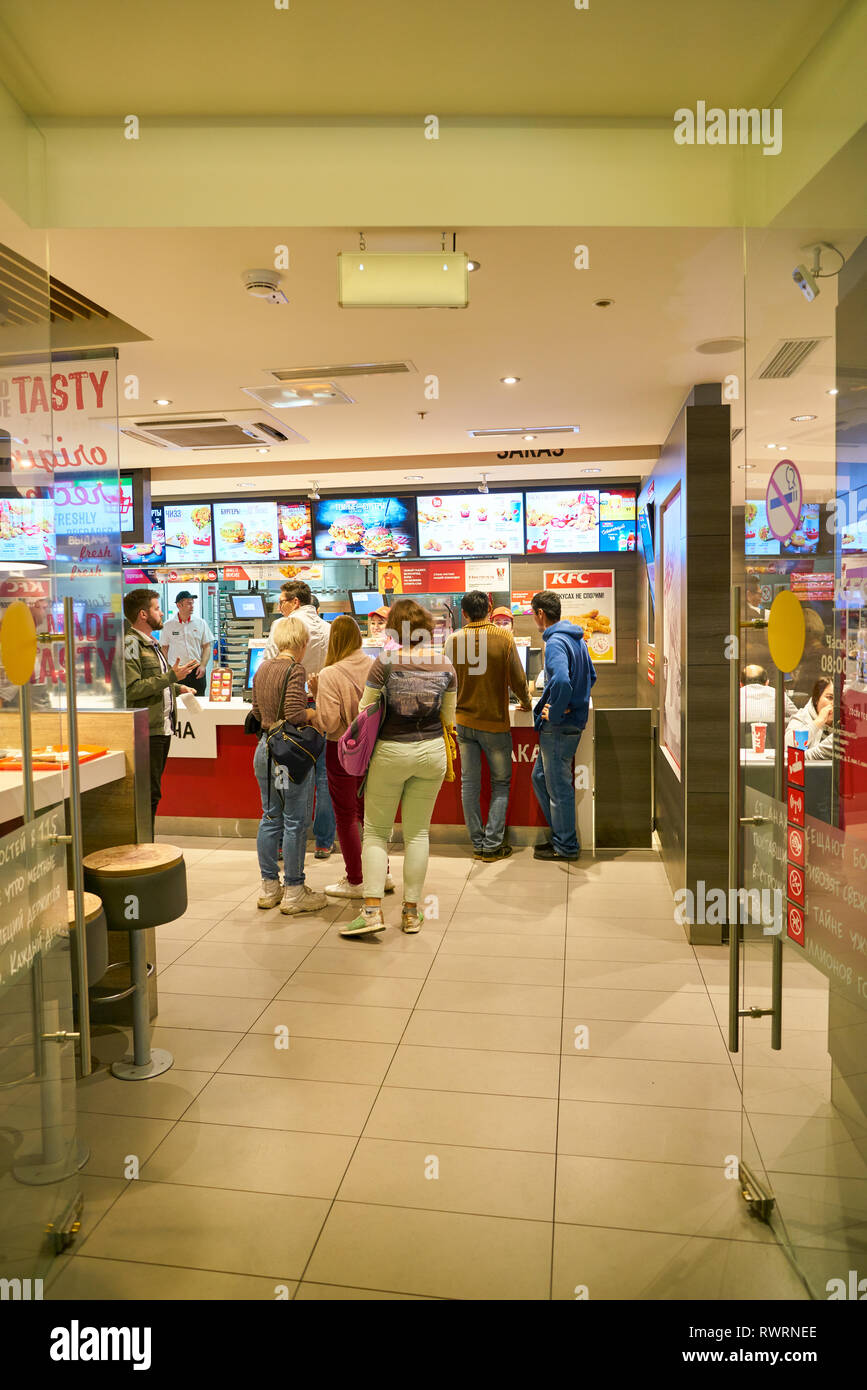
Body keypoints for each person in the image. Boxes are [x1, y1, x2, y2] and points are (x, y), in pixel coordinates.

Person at [341, 599, 456, 937]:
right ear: (427, 629)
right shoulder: (446, 665)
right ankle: (410, 913)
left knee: (376, 831)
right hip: (432, 752)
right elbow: (449, 718)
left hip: (390, 752)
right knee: (418, 833)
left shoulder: (384, 663)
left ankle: (373, 911)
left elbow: (366, 709)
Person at [309, 616, 396, 898]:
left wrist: (315, 698)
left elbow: (329, 722)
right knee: (371, 815)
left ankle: (356, 879)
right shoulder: (375, 665)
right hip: (372, 750)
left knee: (346, 817)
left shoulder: (330, 674)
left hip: (341, 751)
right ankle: (382, 875)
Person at [445, 590, 531, 861]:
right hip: (494, 722)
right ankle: (492, 845)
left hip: (463, 723)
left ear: (465, 613)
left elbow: (445, 682)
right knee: (501, 784)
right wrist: (526, 702)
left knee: (468, 785)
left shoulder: (453, 640)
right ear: (490, 609)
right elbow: (518, 678)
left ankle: (477, 842)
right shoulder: (503, 637)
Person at [251, 615, 328, 914]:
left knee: (270, 817)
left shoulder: (263, 668)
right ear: (302, 642)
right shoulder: (295, 669)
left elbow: (257, 711)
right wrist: (313, 713)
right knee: (295, 821)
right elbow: (295, 712)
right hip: (287, 756)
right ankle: (295, 891)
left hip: (264, 750)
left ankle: (269, 888)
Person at [264, 580, 335, 858]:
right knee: (324, 777)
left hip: (289, 708)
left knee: (287, 773)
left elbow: (271, 663)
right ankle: (324, 841)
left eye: (282, 601)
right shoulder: (329, 629)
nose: (279, 607)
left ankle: (284, 841)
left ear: (295, 602)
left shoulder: (282, 627)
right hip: (320, 705)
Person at [123, 588, 197, 834]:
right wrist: (170, 677)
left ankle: (146, 841)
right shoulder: (131, 644)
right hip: (146, 730)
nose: (161, 612)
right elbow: (132, 689)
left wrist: (177, 686)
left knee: (153, 791)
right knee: (148, 792)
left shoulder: (150, 644)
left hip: (162, 728)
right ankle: (144, 843)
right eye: (156, 608)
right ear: (143, 614)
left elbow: (155, 681)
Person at [529, 590, 596, 862]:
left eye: (534, 614)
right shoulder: (576, 638)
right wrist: (575, 703)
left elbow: (562, 682)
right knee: (540, 778)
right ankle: (560, 835)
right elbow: (591, 675)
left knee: (558, 788)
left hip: (559, 728)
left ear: (541, 614)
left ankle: (566, 846)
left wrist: (556, 710)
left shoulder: (555, 642)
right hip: (572, 722)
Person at [159, 590, 214, 696]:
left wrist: (203, 666)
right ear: (179, 605)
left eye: (192, 602)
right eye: (189, 603)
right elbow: (164, 649)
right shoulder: (168, 625)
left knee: (199, 702)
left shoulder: (200, 623)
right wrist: (168, 670)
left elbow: (207, 646)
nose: (192, 606)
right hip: (177, 671)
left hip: (196, 671)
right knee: (178, 704)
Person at [740, 665, 797, 743]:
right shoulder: (779, 695)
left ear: (741, 684)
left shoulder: (734, 696)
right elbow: (800, 717)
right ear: (767, 682)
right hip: (776, 749)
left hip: (738, 751)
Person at [785, 677, 835, 761]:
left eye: (840, 699)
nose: (834, 703)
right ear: (816, 699)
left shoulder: (847, 722)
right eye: (830, 697)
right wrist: (818, 722)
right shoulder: (802, 716)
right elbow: (789, 747)